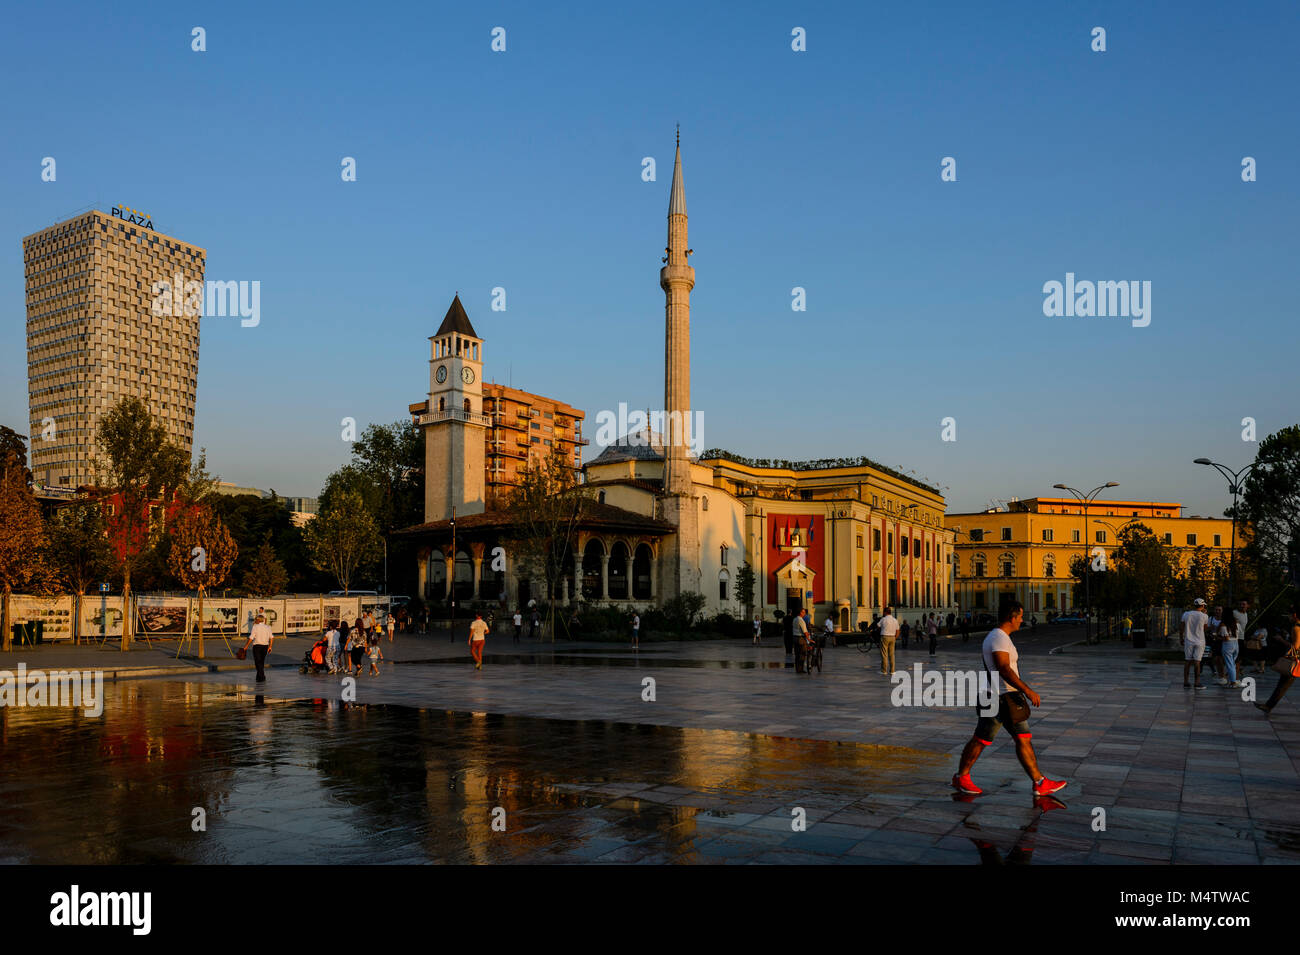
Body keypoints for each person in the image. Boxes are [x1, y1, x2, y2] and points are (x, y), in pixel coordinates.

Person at [952, 601, 1067, 796]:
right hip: (995, 697)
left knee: (1023, 738)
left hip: (1008, 697)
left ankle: (1039, 782)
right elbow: (1004, 668)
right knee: (981, 739)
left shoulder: (1001, 637)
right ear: (1011, 617)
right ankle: (961, 777)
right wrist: (1027, 690)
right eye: (1020, 616)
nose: (1022, 620)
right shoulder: (998, 638)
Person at [1256, 607, 1300, 715]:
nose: (1288, 617)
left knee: (1282, 685)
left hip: (1293, 660)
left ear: (1294, 615)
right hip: (1296, 659)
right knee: (1282, 685)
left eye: (1289, 615)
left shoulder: (1296, 628)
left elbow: (1295, 646)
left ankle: (1268, 706)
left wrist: (1281, 640)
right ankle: (1268, 706)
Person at [1180, 598, 1209, 689]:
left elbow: (1181, 627)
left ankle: (1186, 681)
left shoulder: (1186, 614)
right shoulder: (1205, 616)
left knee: (1187, 660)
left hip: (1188, 640)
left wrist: (1181, 638)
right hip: (1200, 641)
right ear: (1202, 605)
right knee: (1197, 661)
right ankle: (1197, 682)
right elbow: (1205, 629)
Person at [241, 614, 274, 681]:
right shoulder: (268, 627)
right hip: (265, 646)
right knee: (261, 662)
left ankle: (262, 676)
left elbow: (251, 637)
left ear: (258, 620)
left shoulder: (255, 627)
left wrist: (246, 646)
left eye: (256, 619)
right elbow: (272, 637)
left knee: (257, 662)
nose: (255, 620)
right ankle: (259, 677)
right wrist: (270, 647)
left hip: (257, 646)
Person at [1218, 614, 1241, 688]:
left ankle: (1233, 682)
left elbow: (1226, 638)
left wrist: (1217, 637)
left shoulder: (1224, 626)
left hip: (1228, 645)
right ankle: (1233, 680)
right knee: (1232, 664)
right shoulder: (1237, 624)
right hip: (1236, 644)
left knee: (1230, 664)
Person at [878, 606, 899, 676]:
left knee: (884, 654)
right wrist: (895, 638)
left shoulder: (883, 619)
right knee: (892, 655)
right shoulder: (895, 620)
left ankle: (884, 670)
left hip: (884, 636)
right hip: (892, 637)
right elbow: (898, 631)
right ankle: (892, 670)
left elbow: (878, 626)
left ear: (885, 612)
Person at [792, 609, 811, 674]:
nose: (804, 614)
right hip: (801, 639)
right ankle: (801, 669)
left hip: (795, 637)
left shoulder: (794, 619)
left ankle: (797, 669)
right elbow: (805, 632)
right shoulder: (801, 620)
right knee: (802, 654)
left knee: (797, 654)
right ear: (801, 613)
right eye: (804, 612)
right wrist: (809, 639)